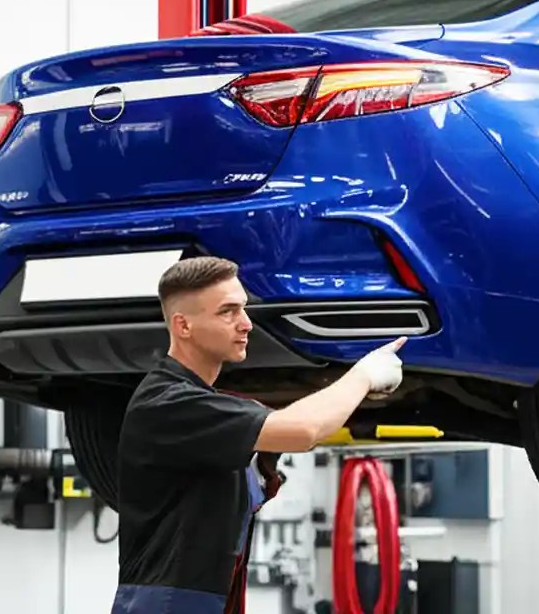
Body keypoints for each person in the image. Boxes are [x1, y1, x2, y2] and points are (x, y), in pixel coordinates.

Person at [110, 256, 405, 614]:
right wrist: (364, 375)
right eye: (228, 312)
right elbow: (304, 430)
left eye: (244, 309)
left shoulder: (201, 410)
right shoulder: (168, 404)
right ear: (183, 326)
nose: (246, 324)